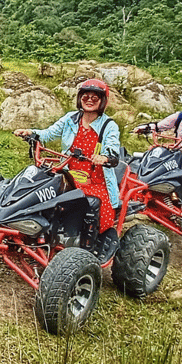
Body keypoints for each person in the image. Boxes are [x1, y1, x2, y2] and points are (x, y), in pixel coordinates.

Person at [13, 79, 123, 250]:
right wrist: (31, 133)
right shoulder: (70, 119)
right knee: (41, 189)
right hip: (68, 174)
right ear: (80, 98)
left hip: (94, 180)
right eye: (86, 96)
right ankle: (39, 231)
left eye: (95, 97)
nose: (90, 100)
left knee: (91, 204)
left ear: (103, 101)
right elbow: (49, 133)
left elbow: (112, 149)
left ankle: (86, 248)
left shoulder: (109, 126)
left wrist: (104, 157)